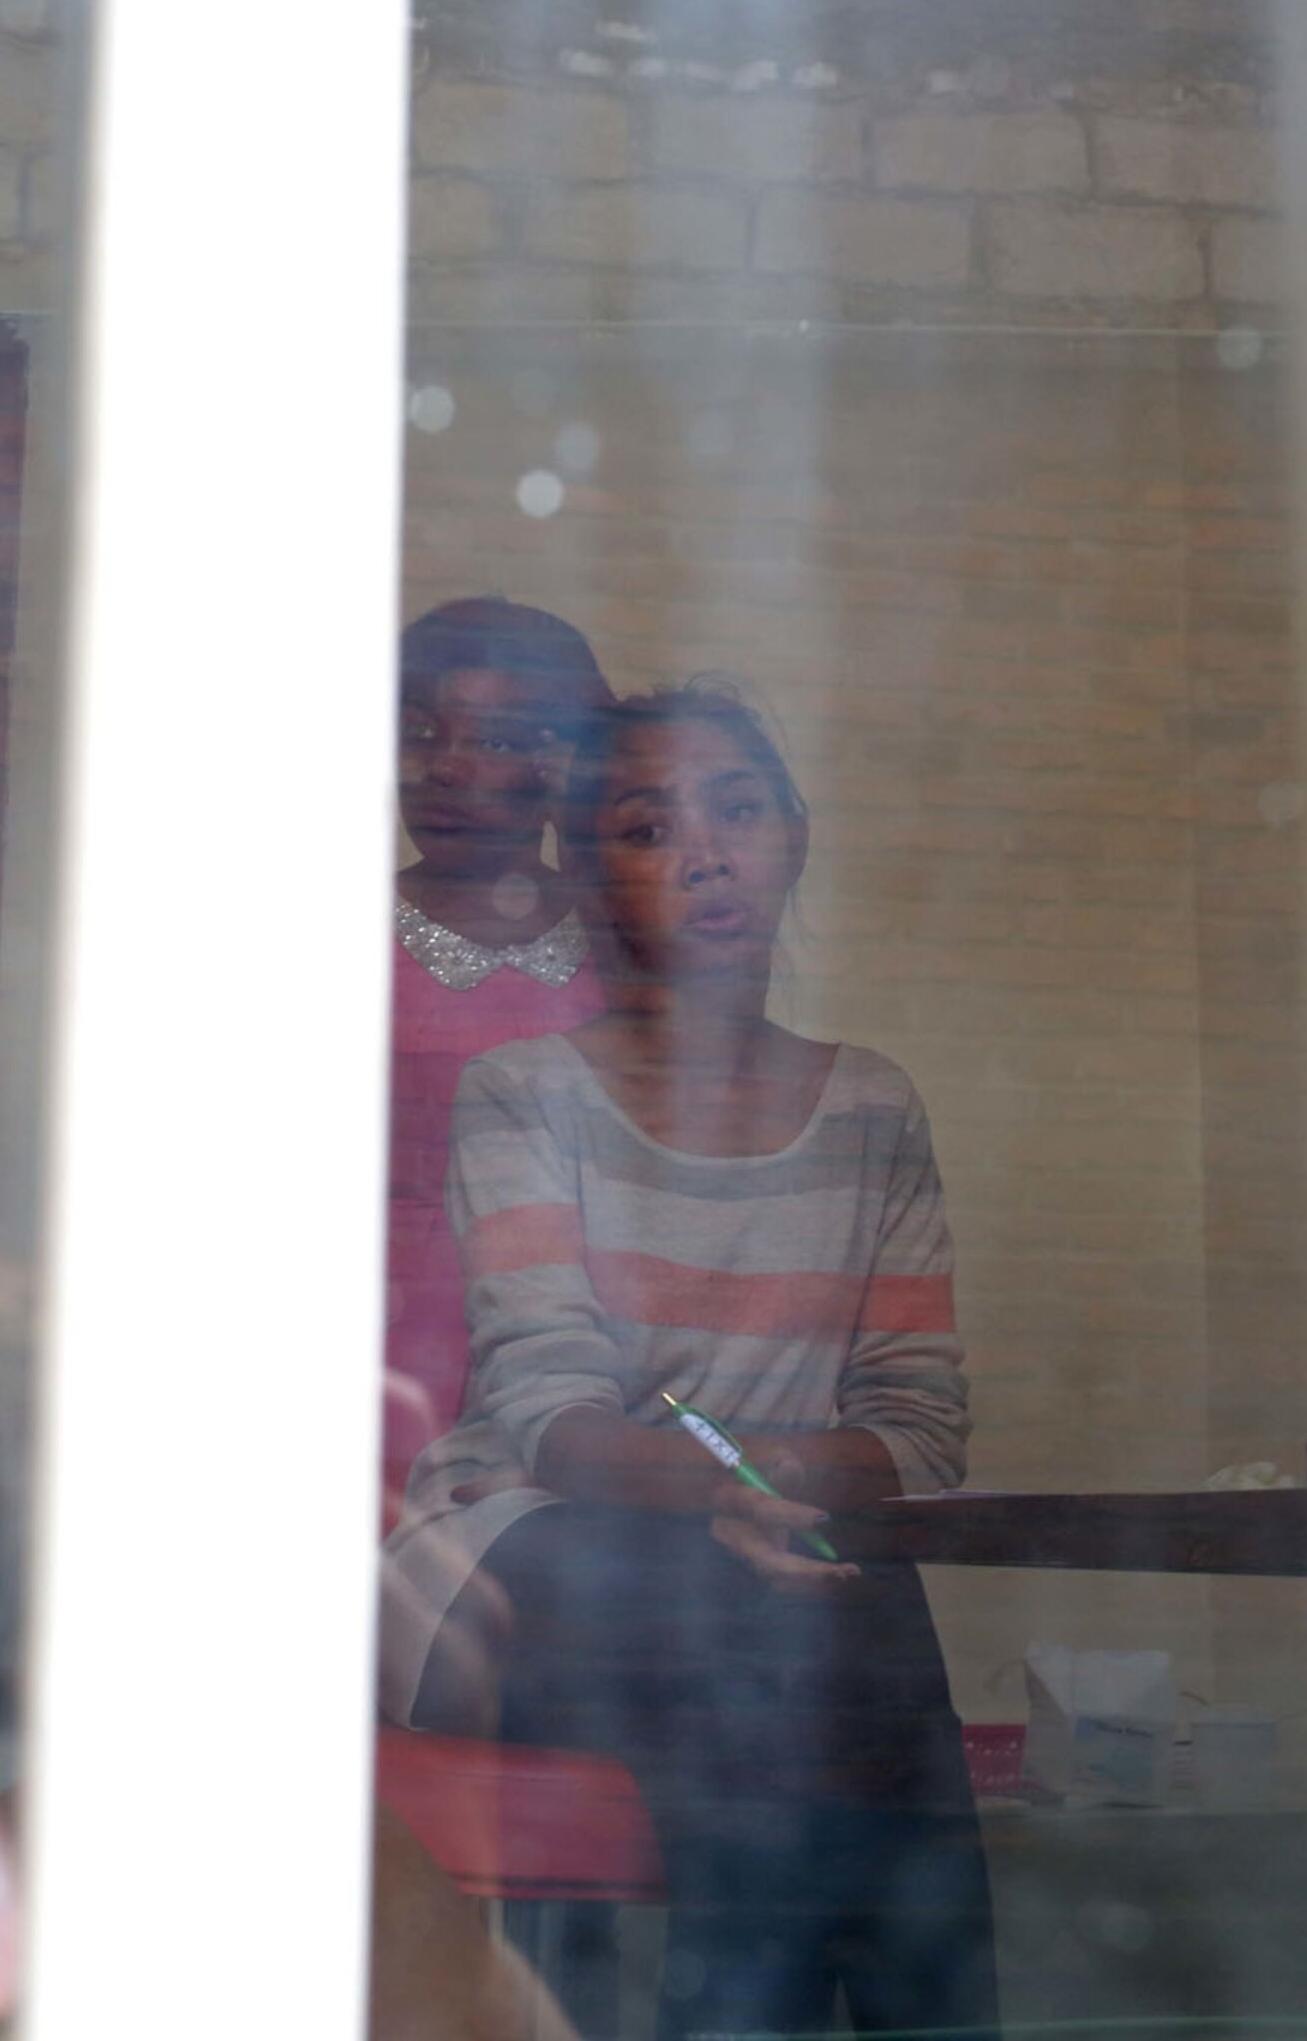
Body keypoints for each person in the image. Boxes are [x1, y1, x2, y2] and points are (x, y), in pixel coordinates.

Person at [385, 685, 1000, 2039]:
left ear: (796, 837)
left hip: (758, 1556)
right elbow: (548, 1413)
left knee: (847, 1601)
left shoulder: (875, 1107)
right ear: (591, 875)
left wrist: (770, 1484)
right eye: (648, 826)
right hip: (516, 1545)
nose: (706, 852)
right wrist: (744, 1487)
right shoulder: (525, 1094)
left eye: (738, 810)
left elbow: (918, 1423)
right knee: (770, 1602)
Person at [381, 597, 614, 1513]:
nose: (443, 768)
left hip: (579, 1352)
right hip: (367, 1346)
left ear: (568, 763)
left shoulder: (625, 941)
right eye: (418, 731)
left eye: (502, 741)